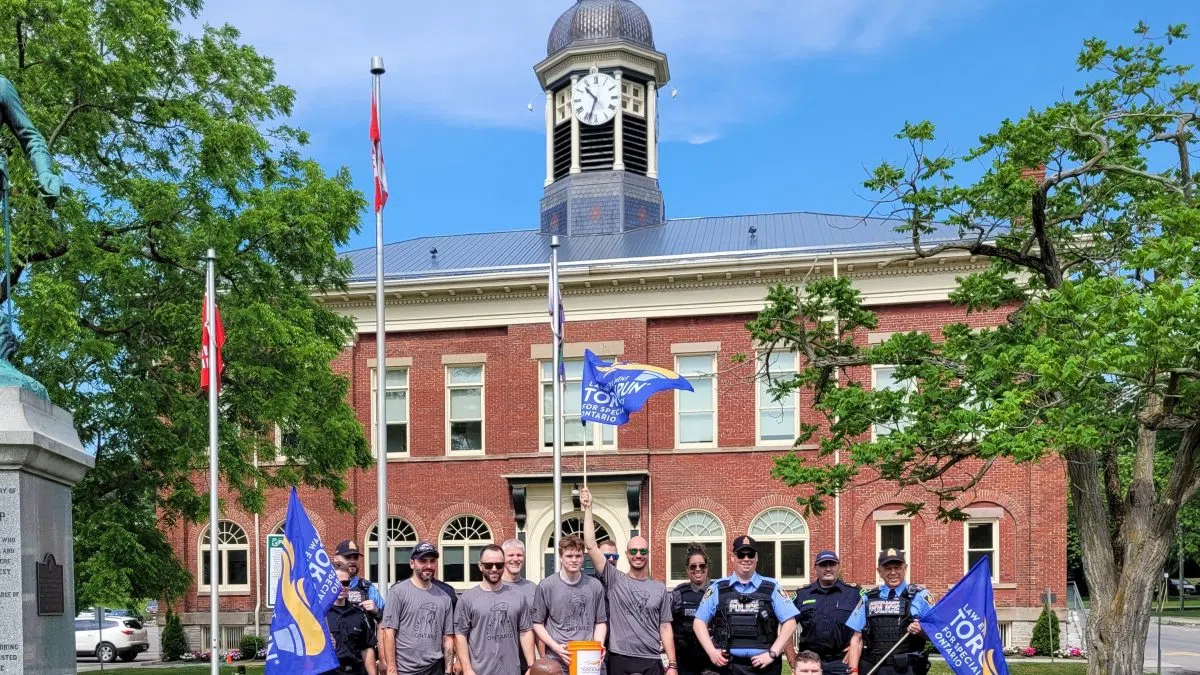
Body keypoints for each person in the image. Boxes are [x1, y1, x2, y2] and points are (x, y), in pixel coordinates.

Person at [580, 486, 677, 675]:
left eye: (642, 551)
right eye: (633, 551)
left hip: (651, 659)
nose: (638, 555)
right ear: (626, 554)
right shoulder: (615, 579)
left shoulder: (659, 588)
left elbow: (665, 627)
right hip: (620, 658)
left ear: (648, 554)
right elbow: (591, 545)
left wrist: (672, 665)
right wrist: (589, 508)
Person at [693, 536, 798, 675]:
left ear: (757, 558)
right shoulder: (718, 588)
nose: (746, 558)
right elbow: (699, 622)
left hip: (765, 667)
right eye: (741, 554)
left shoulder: (771, 587)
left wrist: (773, 653)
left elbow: (790, 622)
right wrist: (711, 651)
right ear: (733, 558)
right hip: (728, 667)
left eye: (751, 554)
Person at [845, 549, 935, 675]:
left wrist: (921, 631)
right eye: (887, 568)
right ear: (879, 571)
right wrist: (853, 671)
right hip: (873, 668)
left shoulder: (921, 596)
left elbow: (938, 635)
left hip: (907, 669)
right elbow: (857, 638)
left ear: (905, 568)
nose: (893, 572)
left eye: (897, 567)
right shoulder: (868, 598)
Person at [454, 544, 536, 675]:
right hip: (479, 671)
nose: (494, 569)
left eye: (499, 565)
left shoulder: (518, 597)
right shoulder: (468, 598)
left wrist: (531, 665)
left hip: (511, 670)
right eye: (488, 565)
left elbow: (525, 631)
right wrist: (467, 669)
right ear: (480, 566)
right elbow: (460, 635)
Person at [532, 533, 608, 666]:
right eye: (569, 556)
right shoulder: (546, 586)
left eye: (578, 556)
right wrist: (555, 647)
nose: (574, 560)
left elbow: (600, 621)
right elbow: (537, 623)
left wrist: (598, 646)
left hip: (587, 657)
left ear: (583, 558)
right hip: (557, 658)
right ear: (561, 558)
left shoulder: (595, 586)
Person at [381, 541, 455, 675]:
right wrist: (391, 669)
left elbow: (448, 638)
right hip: (405, 670)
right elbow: (388, 632)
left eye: (432, 561)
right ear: (412, 563)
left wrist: (448, 671)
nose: (428, 566)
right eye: (422, 561)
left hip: (434, 668)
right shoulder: (398, 592)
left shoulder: (445, 598)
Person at [786, 550, 858, 673]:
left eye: (832, 564)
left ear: (838, 567)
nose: (828, 569)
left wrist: (855, 648)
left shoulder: (854, 594)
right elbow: (785, 626)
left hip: (841, 662)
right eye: (824, 565)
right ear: (816, 568)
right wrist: (792, 660)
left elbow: (867, 625)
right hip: (809, 663)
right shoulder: (802, 595)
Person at [325, 563, 379, 675]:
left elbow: (367, 648)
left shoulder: (359, 614)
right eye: (337, 582)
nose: (341, 587)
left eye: (345, 583)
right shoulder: (320, 614)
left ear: (349, 585)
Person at [670, 544, 711, 675]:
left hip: (712, 660)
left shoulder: (717, 592)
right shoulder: (678, 594)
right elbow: (667, 626)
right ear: (687, 570)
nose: (698, 569)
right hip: (684, 661)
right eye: (693, 566)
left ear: (707, 568)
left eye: (702, 566)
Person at [503, 538, 539, 669]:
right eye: (511, 555)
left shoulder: (533, 588)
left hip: (527, 661)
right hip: (500, 661)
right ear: (503, 558)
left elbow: (539, 625)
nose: (515, 559)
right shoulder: (494, 588)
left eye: (519, 555)